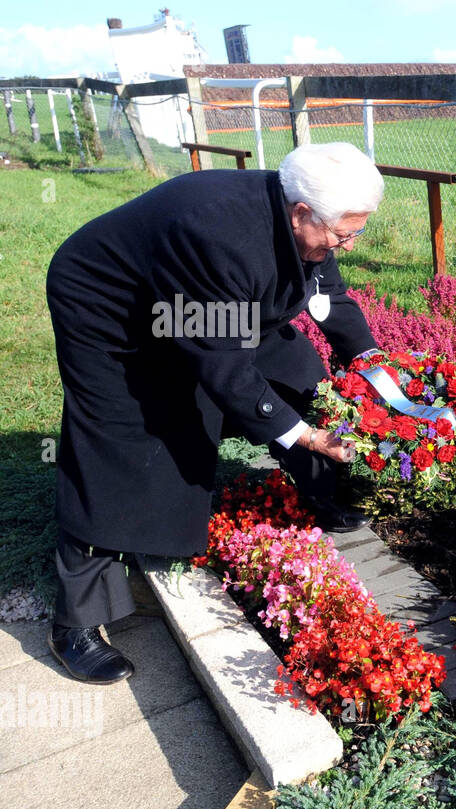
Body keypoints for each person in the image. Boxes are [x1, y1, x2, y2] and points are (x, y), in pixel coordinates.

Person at [44, 141, 385, 685]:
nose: (349, 242)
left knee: (298, 374)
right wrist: (302, 436)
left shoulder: (314, 205)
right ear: (301, 214)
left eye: (355, 231)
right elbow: (224, 365)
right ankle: (75, 623)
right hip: (113, 309)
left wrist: (375, 368)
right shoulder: (217, 234)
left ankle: (319, 493)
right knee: (119, 438)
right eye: (344, 234)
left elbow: (327, 296)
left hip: (206, 303)